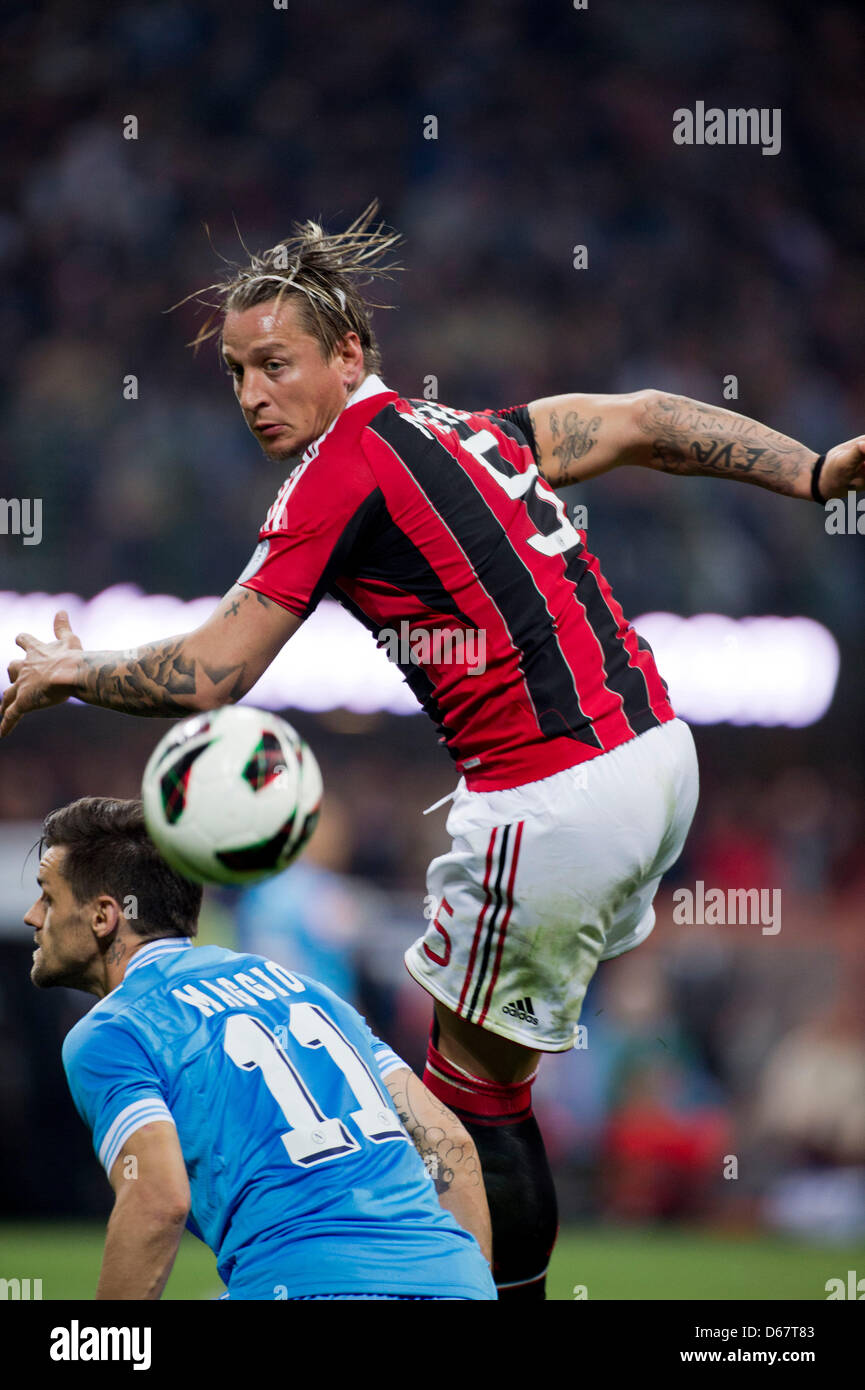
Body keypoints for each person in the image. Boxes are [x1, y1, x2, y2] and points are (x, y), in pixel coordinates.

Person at [4, 204, 865, 1299]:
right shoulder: (473, 430)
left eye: (276, 365)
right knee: (477, 1094)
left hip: (553, 791)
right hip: (658, 754)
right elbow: (643, 418)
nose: (254, 395)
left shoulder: (336, 473)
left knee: (461, 1115)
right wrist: (816, 470)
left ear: (349, 354)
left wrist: (77, 672)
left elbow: (214, 674)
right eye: (234, 373)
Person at [27, 795, 495, 1300]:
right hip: (455, 1279)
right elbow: (448, 1137)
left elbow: (157, 1200)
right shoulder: (310, 992)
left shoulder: (113, 1031)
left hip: (309, 1287)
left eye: (48, 898)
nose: (33, 916)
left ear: (104, 916)